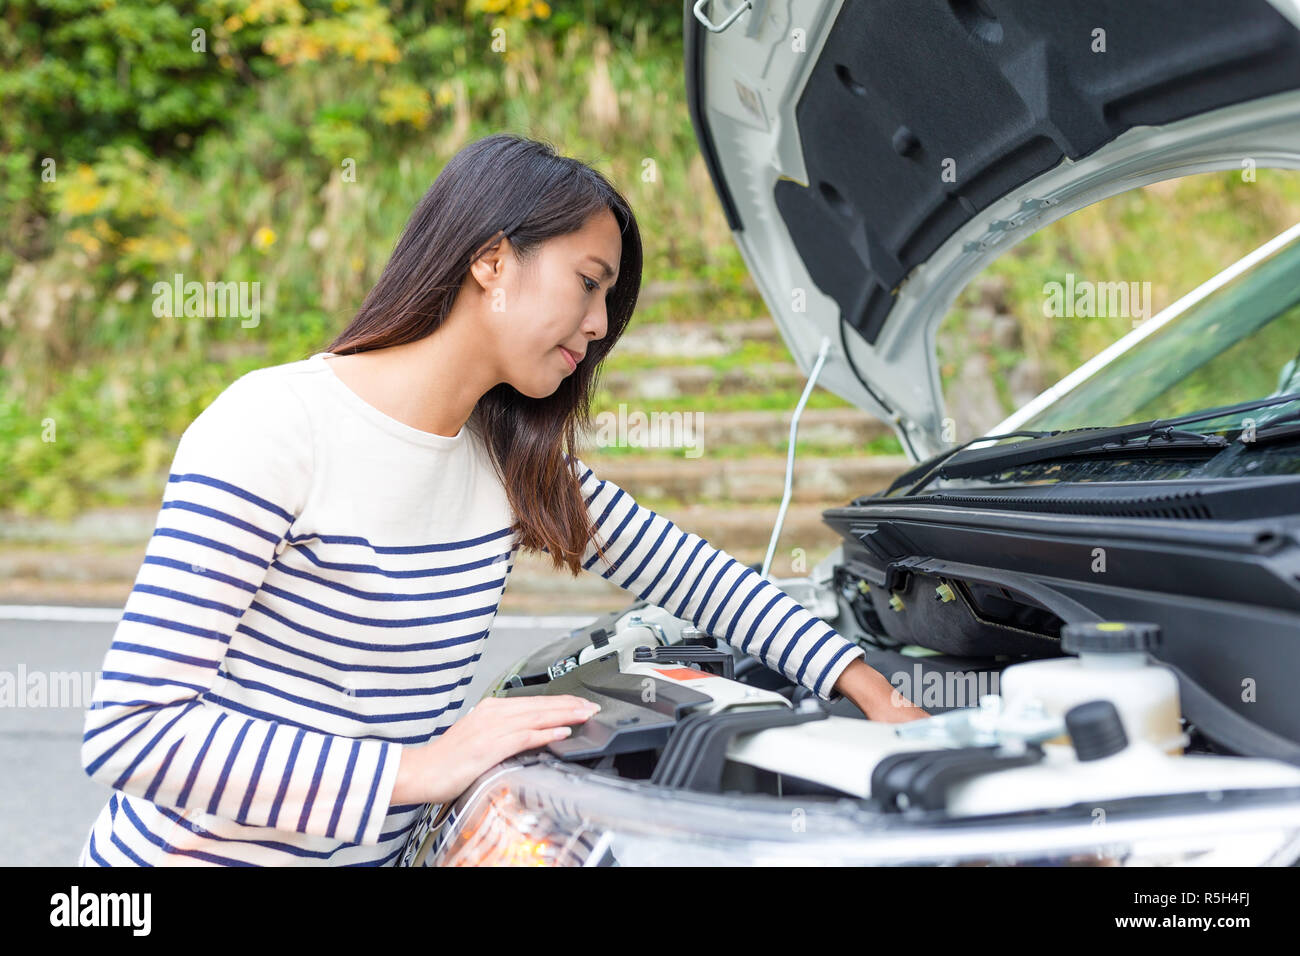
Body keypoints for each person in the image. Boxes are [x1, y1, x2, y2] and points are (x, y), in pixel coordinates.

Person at [77, 132, 927, 867]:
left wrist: (869, 688)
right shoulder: (276, 425)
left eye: (609, 302)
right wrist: (422, 769)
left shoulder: (508, 461)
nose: (599, 326)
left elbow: (698, 578)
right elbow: (132, 731)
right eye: (589, 282)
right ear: (491, 261)